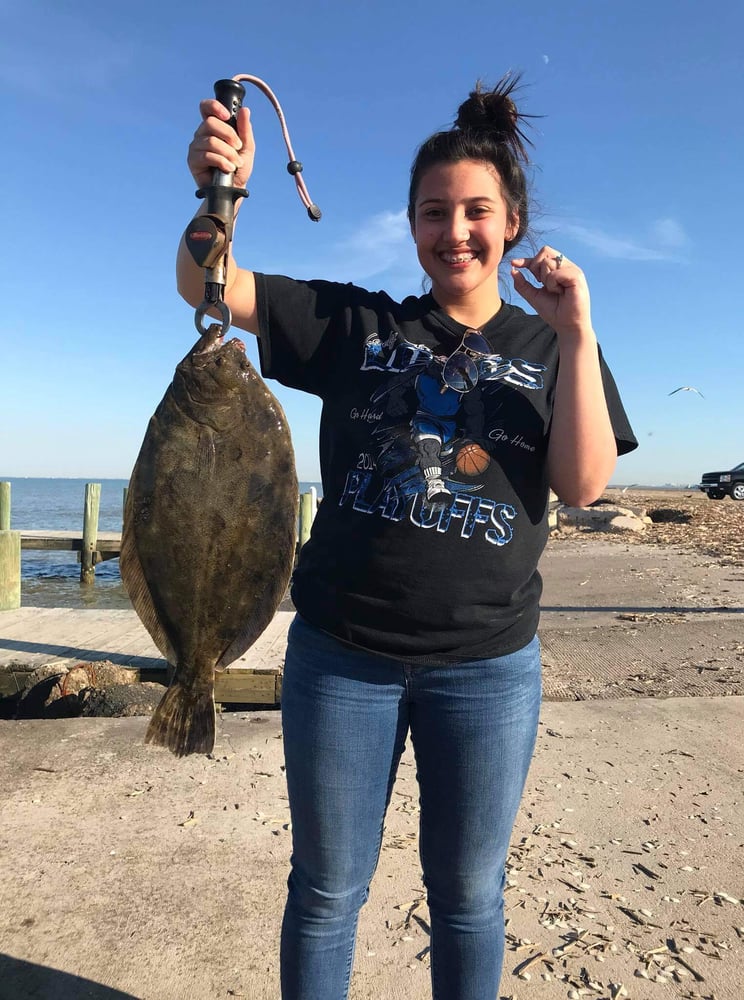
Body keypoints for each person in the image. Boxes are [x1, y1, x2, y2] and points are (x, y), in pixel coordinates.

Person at [177, 74, 638, 1000]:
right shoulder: (357, 325)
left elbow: (585, 485)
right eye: (434, 213)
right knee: (326, 893)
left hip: (488, 668)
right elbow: (206, 284)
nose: (454, 231)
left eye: (476, 211)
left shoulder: (552, 347)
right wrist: (219, 193)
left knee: (468, 896)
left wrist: (579, 333)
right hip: (341, 660)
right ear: (412, 225)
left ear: (512, 224)